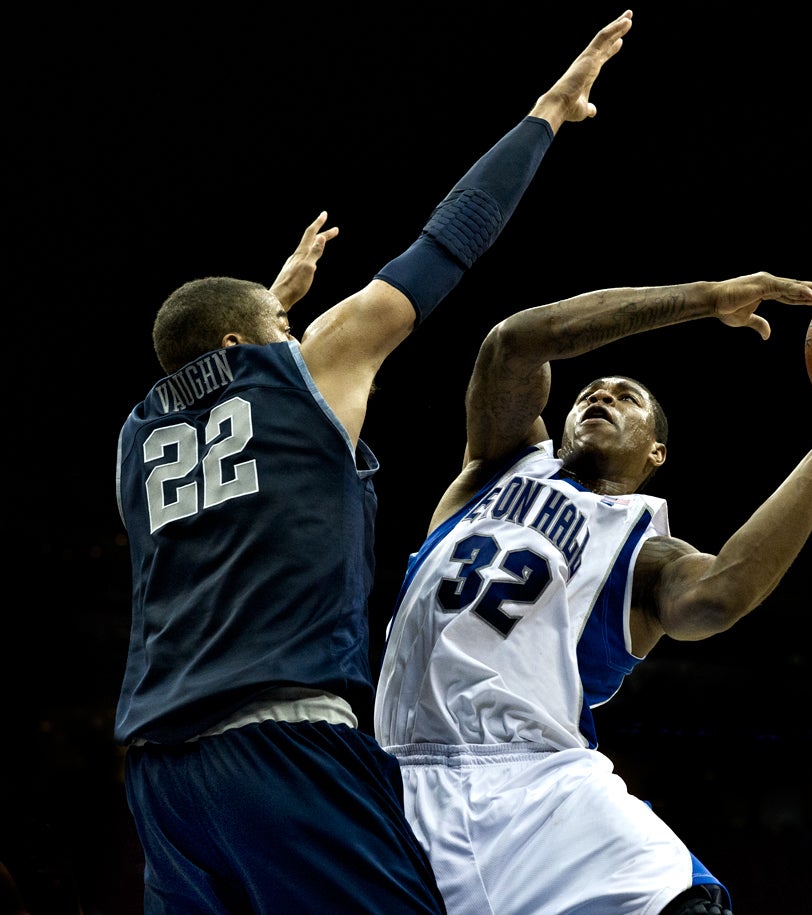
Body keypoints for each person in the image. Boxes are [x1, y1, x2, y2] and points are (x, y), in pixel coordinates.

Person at [113, 10, 634, 913]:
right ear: (256, 340)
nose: (300, 334)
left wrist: (264, 303)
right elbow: (448, 242)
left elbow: (212, 370)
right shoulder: (309, 368)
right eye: (282, 329)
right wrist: (547, 111)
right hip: (282, 746)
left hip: (161, 782)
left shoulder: (133, 440)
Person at [373, 271, 812, 915]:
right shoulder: (494, 466)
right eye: (592, 390)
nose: (603, 394)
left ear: (656, 453)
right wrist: (707, 300)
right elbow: (512, 342)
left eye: (628, 398)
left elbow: (721, 595)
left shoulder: (644, 554)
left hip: (538, 788)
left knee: (689, 904)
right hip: (387, 780)